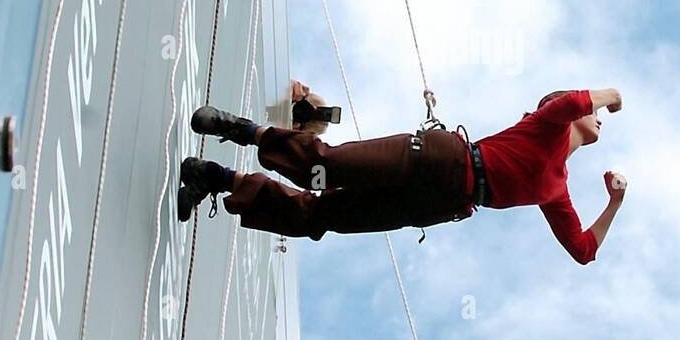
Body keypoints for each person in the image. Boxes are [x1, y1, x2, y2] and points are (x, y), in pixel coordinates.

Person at [177, 85, 627, 263]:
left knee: (319, 217)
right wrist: (612, 93)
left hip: (439, 203)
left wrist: (613, 204)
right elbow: (567, 105)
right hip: (441, 158)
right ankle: (241, 130)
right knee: (326, 167)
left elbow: (583, 250)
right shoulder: (547, 123)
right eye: (596, 111)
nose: (600, 116)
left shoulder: (557, 189)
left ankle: (216, 178)